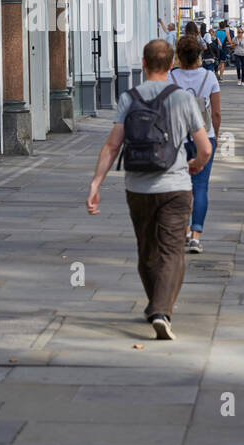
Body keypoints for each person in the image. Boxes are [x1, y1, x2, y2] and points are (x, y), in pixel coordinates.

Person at [87, 39, 211, 341]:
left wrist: (96, 183)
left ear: (143, 64)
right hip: (176, 186)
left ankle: (156, 303)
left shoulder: (129, 97)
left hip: (138, 186)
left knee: (146, 248)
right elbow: (205, 147)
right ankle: (160, 310)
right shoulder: (182, 98)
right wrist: (194, 164)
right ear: (172, 65)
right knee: (171, 250)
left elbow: (112, 145)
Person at [169, 35, 221, 253]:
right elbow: (216, 113)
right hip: (203, 136)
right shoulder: (209, 77)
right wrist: (215, 136)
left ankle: (182, 231)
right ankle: (196, 237)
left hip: (178, 139)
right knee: (200, 187)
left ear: (178, 55)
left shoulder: (170, 77)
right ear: (199, 54)